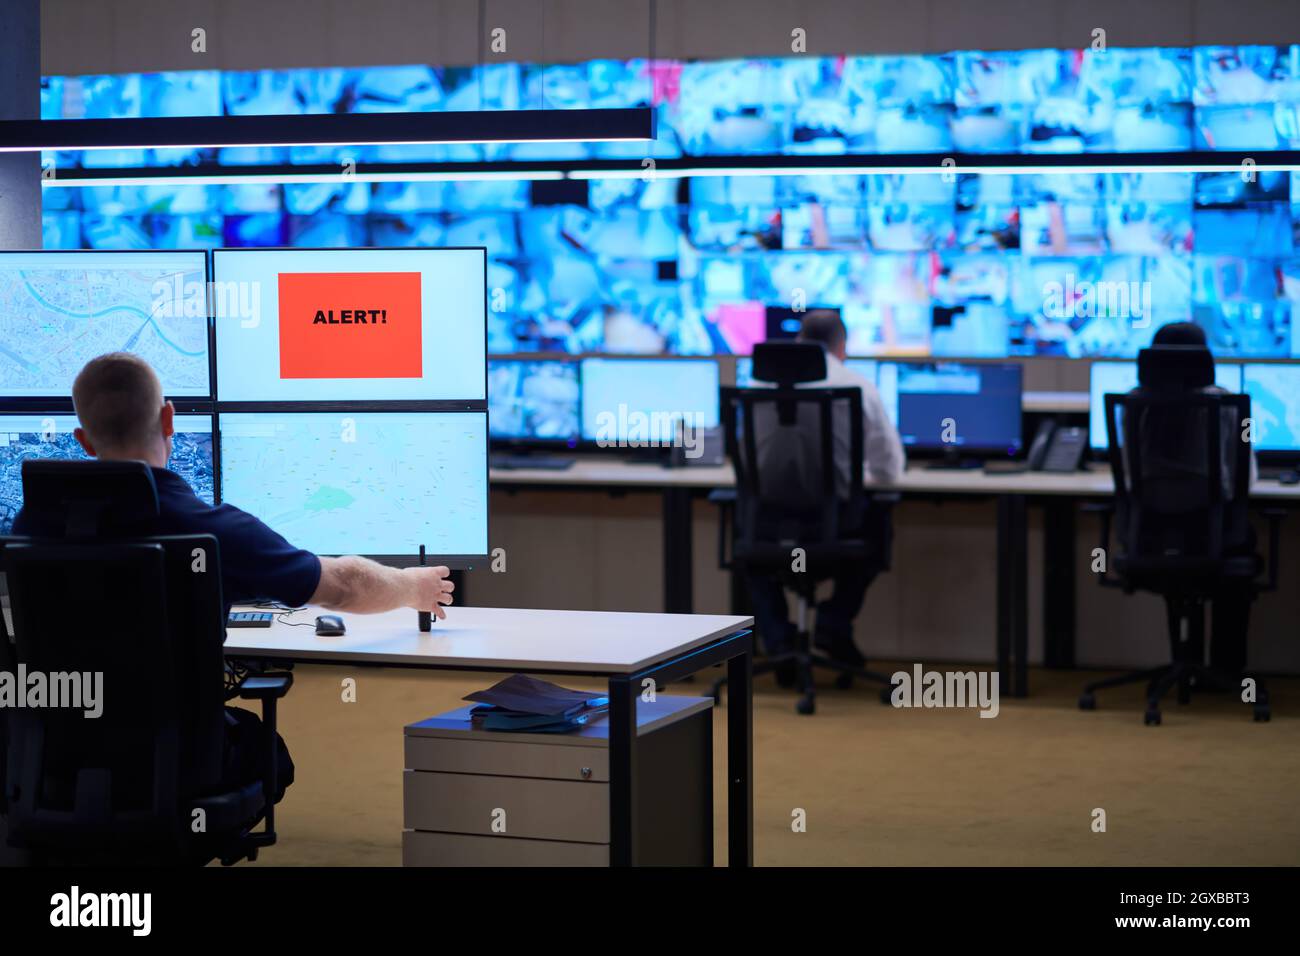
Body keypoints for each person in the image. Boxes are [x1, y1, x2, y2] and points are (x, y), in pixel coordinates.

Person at [9, 352, 456, 803]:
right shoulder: (212, 531)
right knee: (267, 752)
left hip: (52, 767)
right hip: (179, 767)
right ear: (169, 419)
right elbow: (343, 587)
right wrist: (412, 586)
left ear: (83, 440)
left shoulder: (32, 528)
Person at [744, 312, 905, 678]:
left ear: (800, 339)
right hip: (835, 531)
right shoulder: (859, 387)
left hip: (769, 532)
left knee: (747, 542)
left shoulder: (758, 386)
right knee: (881, 521)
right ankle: (834, 622)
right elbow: (889, 470)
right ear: (842, 345)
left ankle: (779, 641)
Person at [1130, 321, 1257, 675]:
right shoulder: (1225, 403)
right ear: (1206, 359)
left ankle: (1183, 664)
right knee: (1244, 540)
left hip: (1149, 538)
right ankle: (1226, 670)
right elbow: (1246, 480)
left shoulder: (1135, 404)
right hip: (1212, 538)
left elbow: (1129, 479)